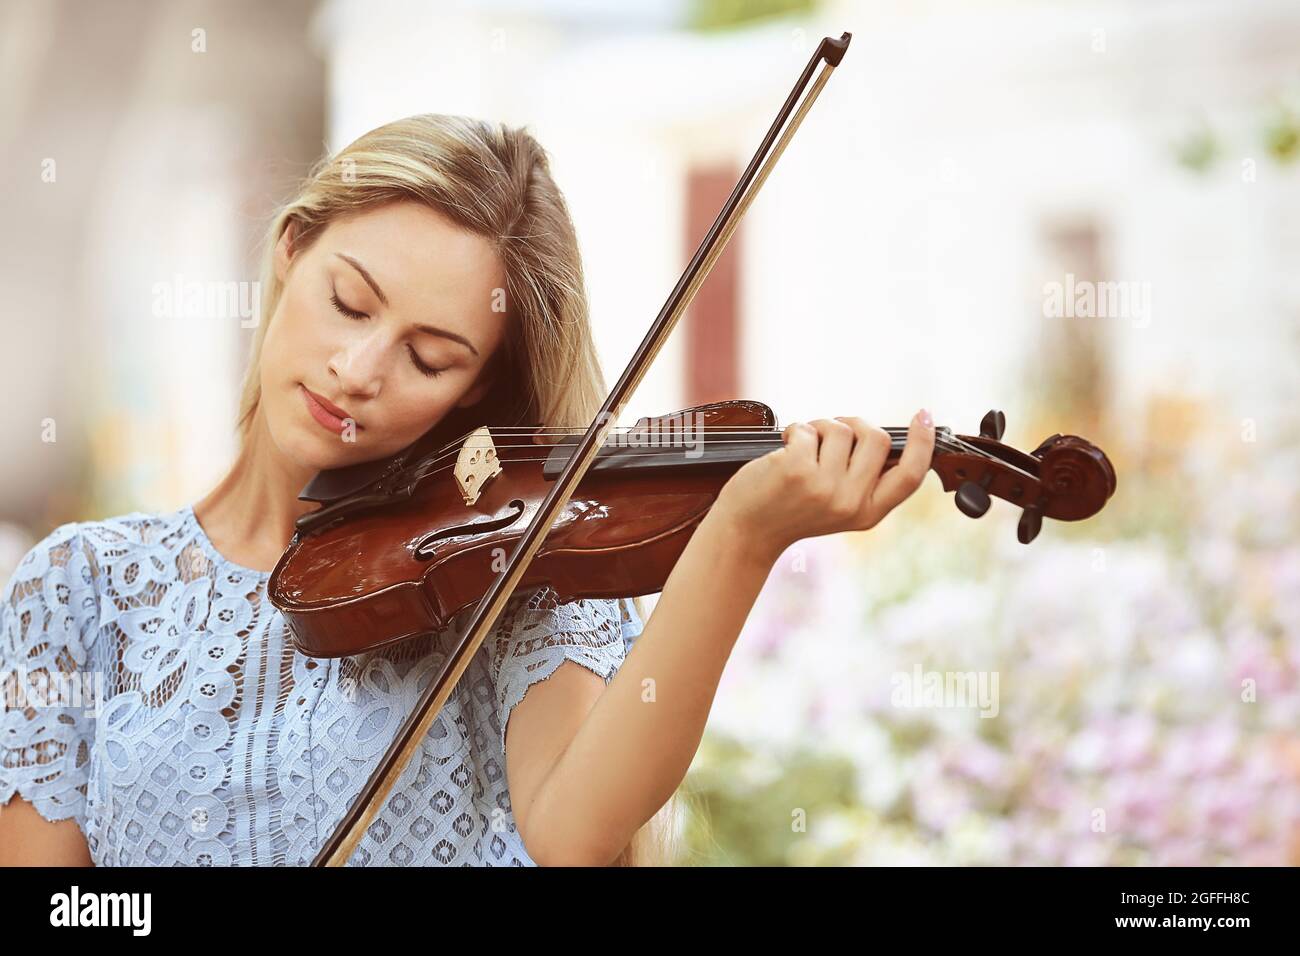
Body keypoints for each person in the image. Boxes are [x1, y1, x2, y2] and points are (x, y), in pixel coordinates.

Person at [0, 114, 934, 866]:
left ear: (477, 388)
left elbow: (571, 831)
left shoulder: (505, 563)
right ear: (291, 249)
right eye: (350, 303)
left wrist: (741, 537)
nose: (359, 370)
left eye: (428, 356)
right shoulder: (81, 591)